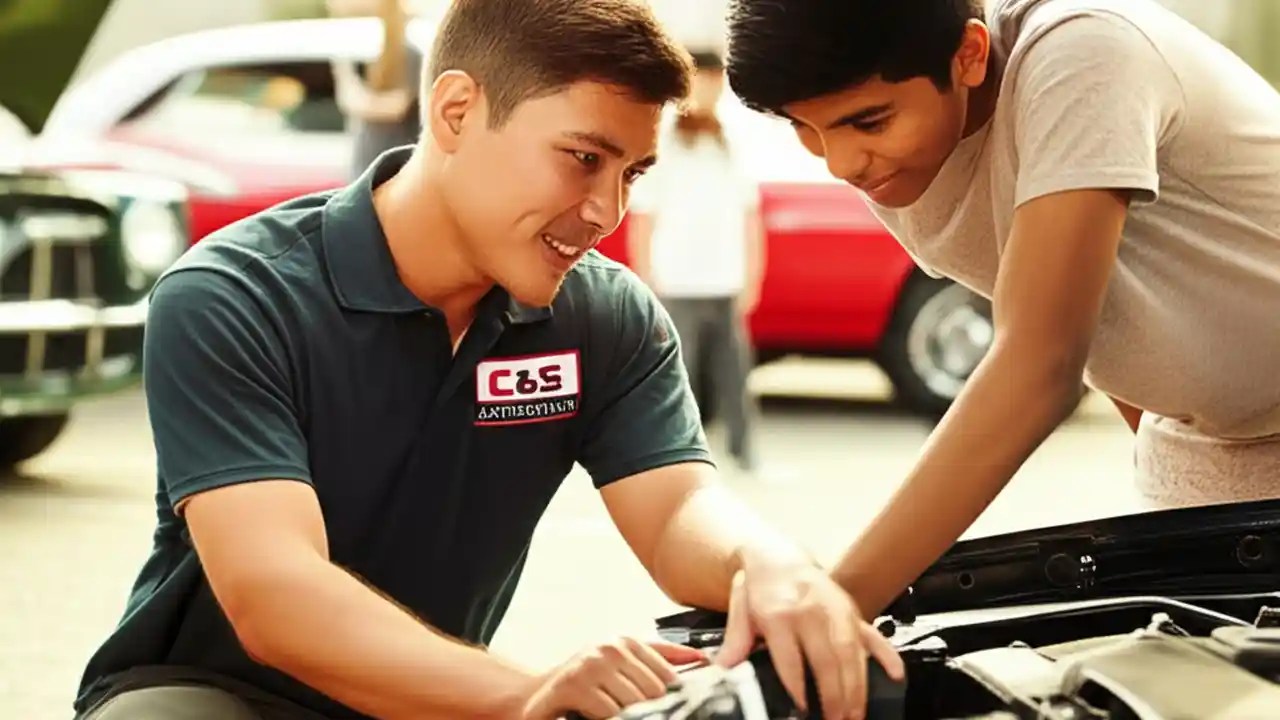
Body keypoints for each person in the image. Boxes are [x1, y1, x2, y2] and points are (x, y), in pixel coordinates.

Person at [71, 1, 902, 719]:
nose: (606, 211)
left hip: (443, 702)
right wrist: (526, 695)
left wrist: (768, 565)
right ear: (457, 111)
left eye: (632, 173)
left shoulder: (605, 317)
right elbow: (276, 597)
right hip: (209, 694)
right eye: (584, 158)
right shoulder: (234, 295)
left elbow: (679, 508)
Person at [722, 0, 1280, 619]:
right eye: (804, 127)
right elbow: (1109, 326)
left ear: (969, 55)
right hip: (1204, 459)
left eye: (870, 121)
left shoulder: (1083, 52)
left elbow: (1041, 365)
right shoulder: (900, 161)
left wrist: (840, 600)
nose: (840, 163)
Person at [628, 49, 765, 478]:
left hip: (725, 277)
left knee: (735, 373)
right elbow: (643, 214)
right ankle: (678, 455)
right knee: (679, 374)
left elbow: (750, 214)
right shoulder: (662, 139)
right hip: (677, 278)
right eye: (703, 80)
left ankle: (744, 453)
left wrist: (753, 275)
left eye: (716, 81)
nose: (710, 90)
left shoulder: (733, 138)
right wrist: (646, 276)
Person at [331, 0, 425, 180]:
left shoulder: (409, 54)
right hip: (367, 170)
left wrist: (346, 78)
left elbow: (395, 107)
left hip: (393, 172)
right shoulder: (367, 54)